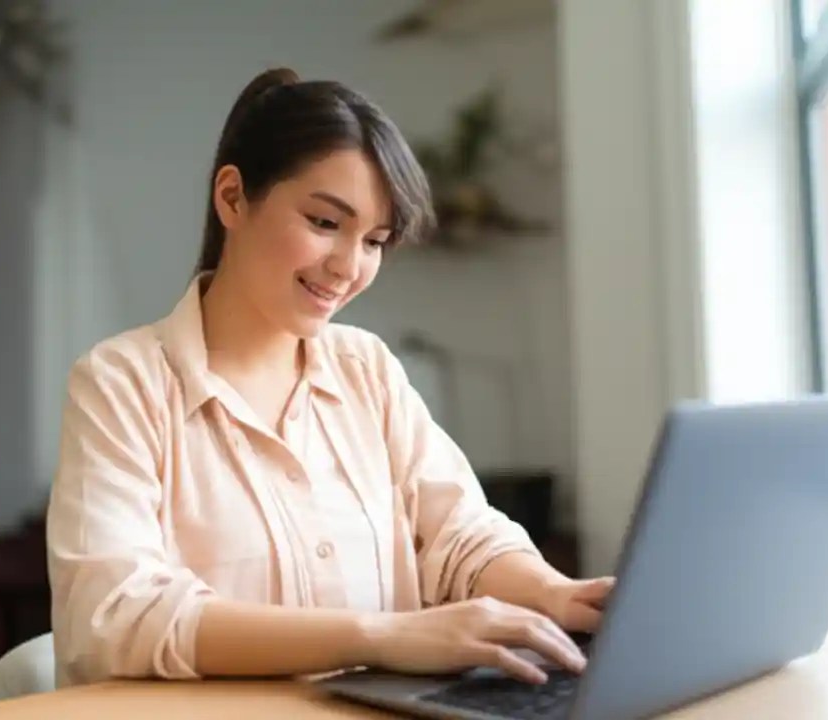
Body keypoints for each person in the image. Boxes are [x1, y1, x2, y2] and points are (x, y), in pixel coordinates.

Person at [46, 67, 614, 690]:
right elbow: (115, 614)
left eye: (374, 240)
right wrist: (382, 636)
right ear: (232, 197)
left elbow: (460, 534)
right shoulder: (121, 383)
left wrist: (556, 595)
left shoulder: (365, 369)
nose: (349, 267)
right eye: (324, 223)